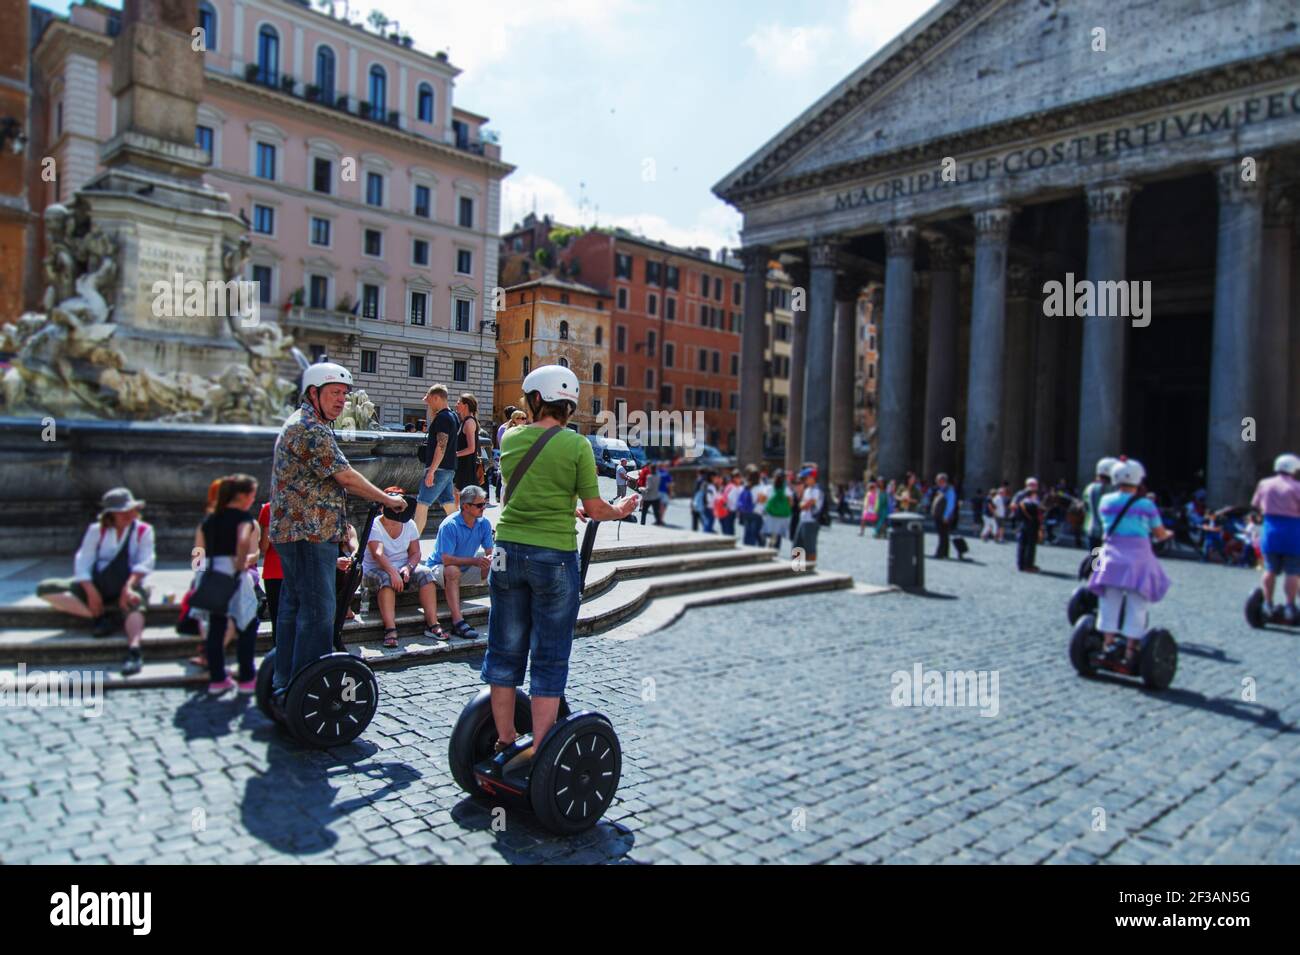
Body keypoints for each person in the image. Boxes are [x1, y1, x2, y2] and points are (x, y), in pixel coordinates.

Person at [484, 364, 638, 768]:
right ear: (568, 404)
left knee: (503, 651)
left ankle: (503, 741)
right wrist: (621, 509)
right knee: (549, 656)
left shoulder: (512, 437)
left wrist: (565, 504)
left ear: (535, 400)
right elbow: (596, 508)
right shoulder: (577, 446)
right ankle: (538, 748)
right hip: (552, 556)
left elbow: (527, 491)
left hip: (506, 552)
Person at [268, 362, 406, 703]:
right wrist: (386, 498)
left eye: (344, 394)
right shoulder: (310, 429)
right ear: (313, 393)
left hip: (297, 532)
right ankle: (306, 691)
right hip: (309, 533)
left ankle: (283, 682)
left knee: (293, 608)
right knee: (317, 611)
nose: (341, 400)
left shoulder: (306, 424)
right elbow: (345, 476)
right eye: (334, 393)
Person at [37, 487, 155, 676]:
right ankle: (99, 617)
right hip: (100, 582)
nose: (127, 514)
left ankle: (134, 650)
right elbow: (83, 560)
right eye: (122, 511)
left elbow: (148, 561)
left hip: (128, 582)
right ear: (111, 515)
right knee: (47, 588)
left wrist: (129, 586)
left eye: (129, 510)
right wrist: (90, 589)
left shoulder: (144, 530)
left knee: (135, 604)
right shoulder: (97, 531)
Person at [1087, 459, 1173, 668]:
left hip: (1111, 558)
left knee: (1108, 604)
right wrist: (1168, 534)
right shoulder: (1146, 505)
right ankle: (1130, 651)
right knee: (1137, 607)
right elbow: (1159, 534)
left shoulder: (1105, 501)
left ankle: (1108, 647)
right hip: (1138, 562)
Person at [195, 474, 262, 694]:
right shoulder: (242, 519)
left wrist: (200, 576)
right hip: (234, 573)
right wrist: (244, 560)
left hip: (212, 572)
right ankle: (247, 678)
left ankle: (217, 679)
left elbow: (198, 552)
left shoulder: (209, 520)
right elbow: (243, 542)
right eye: (251, 495)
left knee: (216, 625)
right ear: (242, 496)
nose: (253, 499)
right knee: (248, 625)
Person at [362, 486, 443, 648]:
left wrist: (408, 567)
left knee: (426, 573)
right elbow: (378, 553)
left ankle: (432, 623)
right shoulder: (375, 525)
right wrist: (392, 572)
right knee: (386, 579)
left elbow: (416, 553)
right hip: (375, 569)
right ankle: (390, 629)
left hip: (402, 566)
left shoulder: (409, 524)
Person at [427, 484, 495, 640]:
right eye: (479, 505)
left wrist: (488, 561)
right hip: (438, 569)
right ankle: (458, 621)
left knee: (500, 566)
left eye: (484, 503)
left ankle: (503, 614)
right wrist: (476, 561)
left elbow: (490, 552)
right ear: (466, 506)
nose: (483, 507)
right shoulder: (450, 525)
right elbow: (446, 559)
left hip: (465, 568)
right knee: (452, 570)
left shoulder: (484, 523)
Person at [1251, 452, 1300, 623]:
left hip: (1270, 530)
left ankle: (1268, 604)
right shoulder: (1296, 487)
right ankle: (1289, 606)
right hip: (1293, 532)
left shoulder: (1264, 484)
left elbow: (1256, 505)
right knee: (1293, 571)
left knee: (1270, 569)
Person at [414, 384, 461, 535]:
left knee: (422, 505)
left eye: (429, 400)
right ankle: (464, 536)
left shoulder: (442, 418)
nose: (427, 403)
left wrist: (431, 471)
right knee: (449, 505)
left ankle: (411, 546)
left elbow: (441, 445)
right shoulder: (453, 416)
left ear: (436, 398)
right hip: (448, 467)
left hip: (438, 469)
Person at [257, 500, 282, 641]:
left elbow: (264, 547)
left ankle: (278, 655)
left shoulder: (269, 507)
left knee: (277, 619)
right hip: (298, 569)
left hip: (274, 570)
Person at [453, 393, 483, 501]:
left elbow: (471, 448)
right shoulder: (465, 421)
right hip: (462, 467)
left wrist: (454, 454)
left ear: (465, 405)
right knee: (459, 498)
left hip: (466, 468)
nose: (456, 405)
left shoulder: (469, 422)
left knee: (462, 499)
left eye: (458, 403)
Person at [1011, 477, 1043, 572]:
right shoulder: (1023, 495)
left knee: (1024, 544)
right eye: (1033, 485)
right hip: (1028, 522)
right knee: (1029, 544)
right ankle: (1027, 565)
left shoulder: (1034, 495)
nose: (1035, 487)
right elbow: (1013, 506)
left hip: (1026, 522)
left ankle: (1022, 564)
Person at [793, 468, 823, 568]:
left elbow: (806, 505)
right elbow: (801, 504)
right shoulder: (807, 490)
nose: (804, 480)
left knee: (810, 547)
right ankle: (798, 568)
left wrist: (803, 504)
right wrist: (803, 504)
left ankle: (810, 568)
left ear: (812, 478)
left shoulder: (817, 491)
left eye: (805, 478)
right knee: (798, 545)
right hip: (803, 520)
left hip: (811, 522)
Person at [931, 472, 958, 559]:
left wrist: (946, 516)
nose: (936, 481)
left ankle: (940, 553)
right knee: (944, 535)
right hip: (939, 516)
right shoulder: (941, 490)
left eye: (937, 480)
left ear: (942, 480)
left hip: (944, 517)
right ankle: (945, 553)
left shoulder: (949, 490)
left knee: (942, 535)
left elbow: (950, 504)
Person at [764, 468, 792, 549]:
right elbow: (790, 503)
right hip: (782, 516)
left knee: (770, 534)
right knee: (778, 536)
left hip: (771, 515)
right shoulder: (786, 489)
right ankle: (775, 552)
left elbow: (764, 500)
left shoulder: (769, 488)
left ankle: (769, 547)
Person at [737, 466, 761, 546]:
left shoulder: (746, 486)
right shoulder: (759, 487)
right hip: (756, 513)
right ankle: (752, 550)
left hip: (746, 512)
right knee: (753, 534)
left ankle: (745, 548)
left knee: (747, 532)